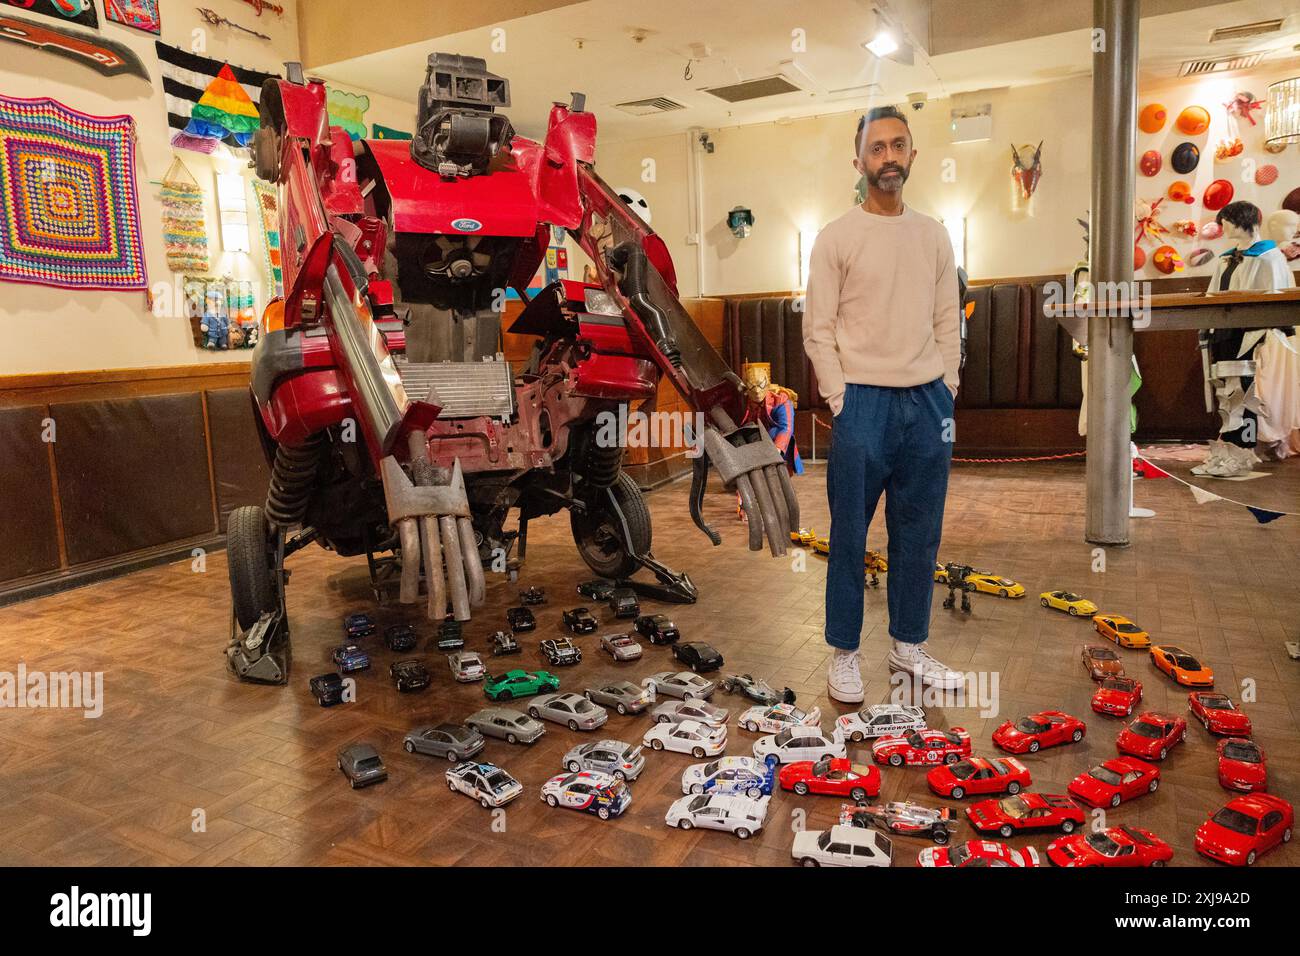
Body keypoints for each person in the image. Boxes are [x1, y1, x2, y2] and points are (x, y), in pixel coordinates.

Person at [802, 105, 963, 702]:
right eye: (877, 148)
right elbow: (818, 329)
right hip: (861, 403)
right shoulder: (836, 238)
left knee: (918, 533)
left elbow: (949, 321)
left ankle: (909, 646)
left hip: (927, 403)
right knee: (849, 533)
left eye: (898, 146)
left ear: (913, 156)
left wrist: (947, 389)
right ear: (860, 161)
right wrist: (841, 397)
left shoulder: (934, 235)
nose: (888, 157)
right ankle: (844, 653)